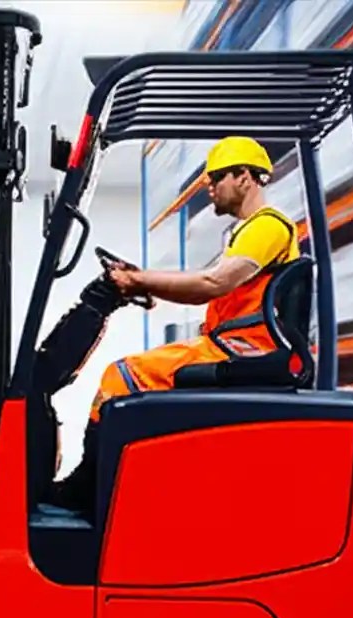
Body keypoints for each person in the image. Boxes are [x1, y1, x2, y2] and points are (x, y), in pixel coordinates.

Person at [42, 135, 300, 515]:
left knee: (122, 377)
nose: (209, 187)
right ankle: (100, 485)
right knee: (134, 380)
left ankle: (85, 490)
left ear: (245, 177)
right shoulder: (250, 231)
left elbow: (212, 284)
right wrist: (142, 283)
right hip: (237, 345)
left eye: (216, 178)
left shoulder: (268, 226)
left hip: (243, 350)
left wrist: (139, 280)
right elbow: (213, 285)